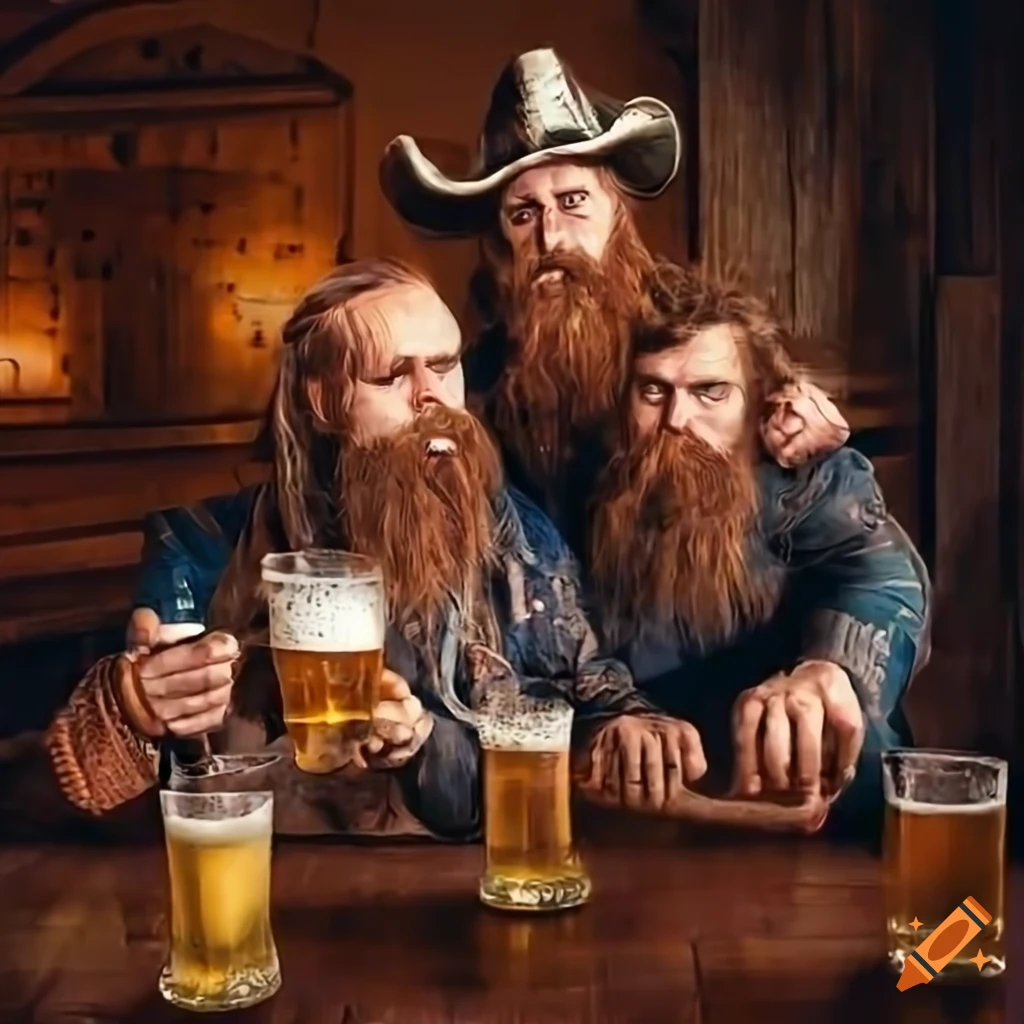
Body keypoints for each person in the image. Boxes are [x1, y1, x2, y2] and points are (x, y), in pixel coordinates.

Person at [4, 259, 814, 841]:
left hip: (447, 908)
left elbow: (582, 690)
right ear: (323, 400)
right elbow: (67, 798)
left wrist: (626, 723)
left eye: (447, 367)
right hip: (256, 887)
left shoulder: (518, 537)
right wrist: (133, 709)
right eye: (394, 376)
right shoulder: (201, 546)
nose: (434, 399)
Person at [379, 48, 850, 547]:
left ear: (617, 211)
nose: (551, 237)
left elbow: (790, 431)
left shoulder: (697, 334)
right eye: (524, 214)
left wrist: (805, 436)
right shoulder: (481, 372)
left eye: (573, 201)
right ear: (502, 238)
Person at [579, 264, 931, 828]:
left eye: (711, 392)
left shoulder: (812, 485)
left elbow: (878, 579)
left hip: (814, 801)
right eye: (653, 391)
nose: (677, 420)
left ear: (762, 406)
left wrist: (833, 669)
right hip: (650, 813)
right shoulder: (585, 490)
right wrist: (611, 713)